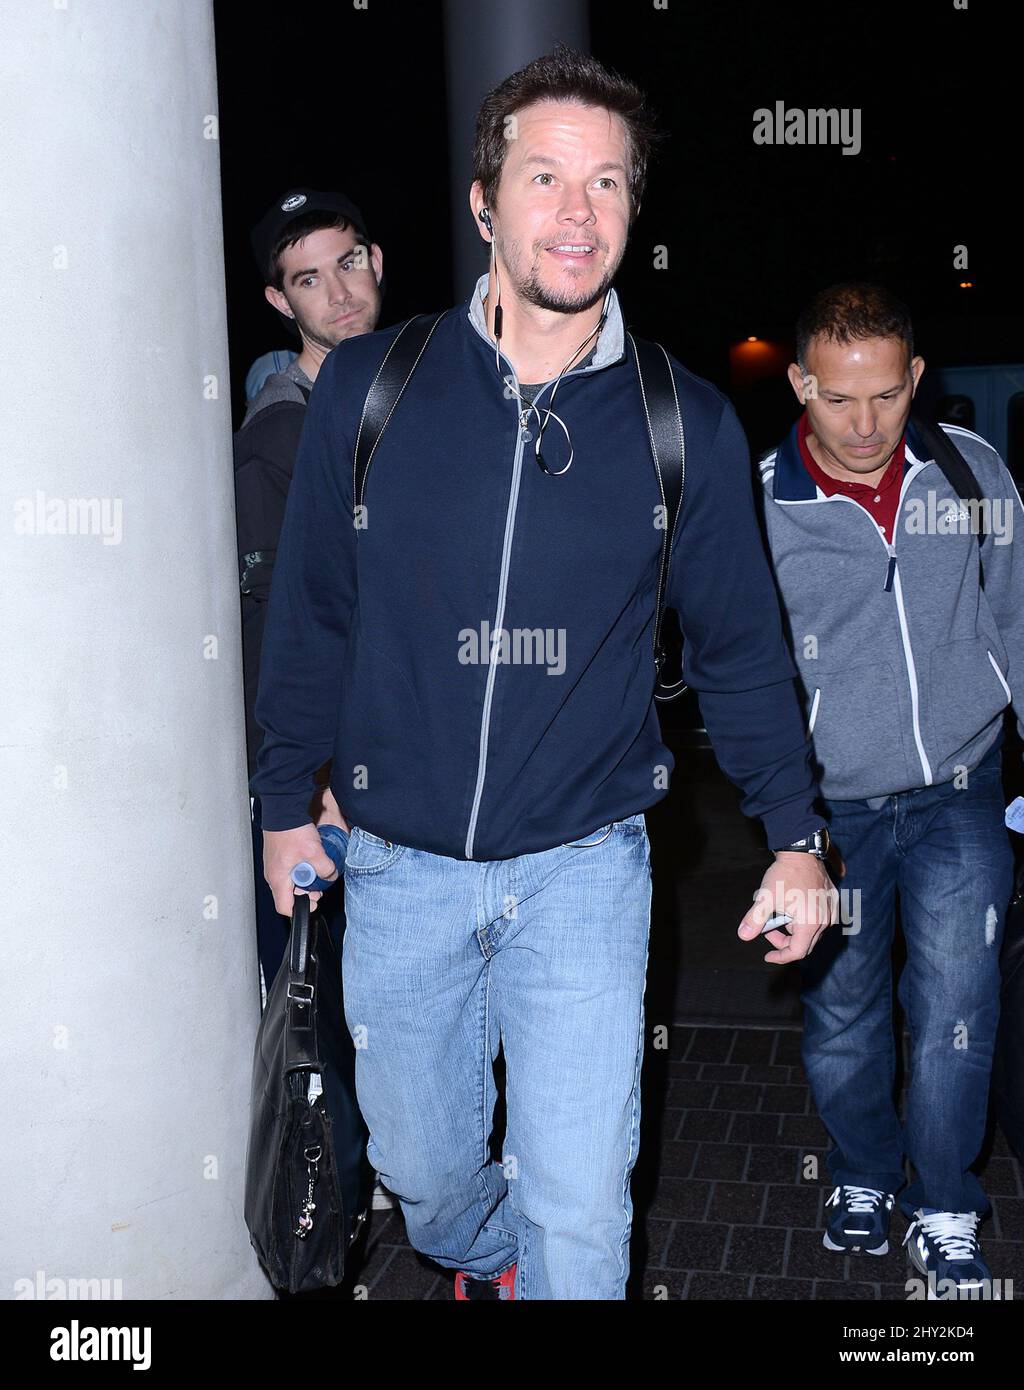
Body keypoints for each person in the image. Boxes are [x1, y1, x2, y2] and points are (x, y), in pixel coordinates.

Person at [251, 46, 833, 1301]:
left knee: (579, 1204)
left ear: (633, 211)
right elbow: (311, 616)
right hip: (397, 865)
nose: (578, 212)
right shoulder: (372, 386)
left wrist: (794, 836)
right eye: (545, 178)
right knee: (422, 1181)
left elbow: (737, 649)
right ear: (483, 204)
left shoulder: (683, 422)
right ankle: (482, 1253)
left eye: (609, 183)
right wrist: (283, 804)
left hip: (584, 867)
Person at [757, 281, 1024, 1297]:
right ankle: (864, 1171)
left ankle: (945, 1201)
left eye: (884, 395)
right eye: (835, 398)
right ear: (797, 383)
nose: (863, 424)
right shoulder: (760, 505)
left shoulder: (970, 471)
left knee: (958, 1004)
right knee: (843, 1017)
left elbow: (1018, 621)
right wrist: (785, 818)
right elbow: (751, 674)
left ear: (915, 378)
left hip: (962, 788)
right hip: (831, 813)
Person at [233, 186, 384, 991]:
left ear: (376, 261)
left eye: (349, 262)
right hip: (345, 791)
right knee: (345, 1022)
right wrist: (311, 785)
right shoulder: (280, 436)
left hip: (421, 767)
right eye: (308, 279)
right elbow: (275, 628)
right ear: (278, 299)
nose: (339, 292)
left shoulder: (411, 392)